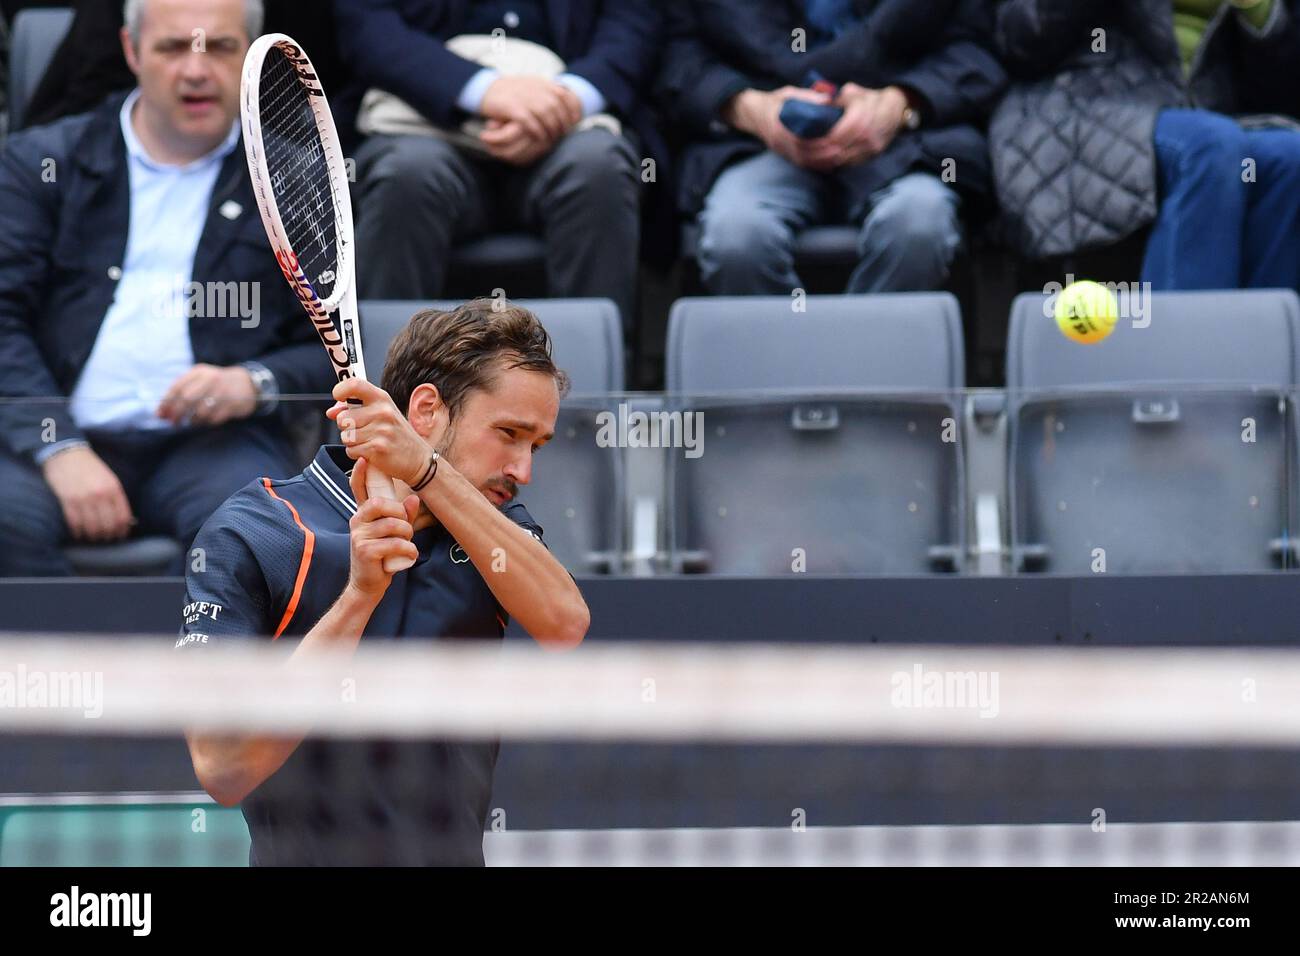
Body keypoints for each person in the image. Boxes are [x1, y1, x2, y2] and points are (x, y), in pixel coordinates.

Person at [179, 299, 590, 866]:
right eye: (509, 433)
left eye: (536, 445)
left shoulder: (495, 534)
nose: (523, 470)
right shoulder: (258, 528)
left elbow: (565, 624)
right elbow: (223, 767)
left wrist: (425, 470)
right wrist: (359, 596)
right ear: (426, 409)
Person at [0, 0, 333, 576]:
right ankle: (50, 668)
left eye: (221, 48)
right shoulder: (41, 163)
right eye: (173, 47)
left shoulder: (294, 182)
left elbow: (336, 350)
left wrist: (254, 383)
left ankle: (204, 668)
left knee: (258, 533)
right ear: (131, 51)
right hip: (49, 436)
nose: (196, 70)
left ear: (252, 58)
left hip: (212, 444)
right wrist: (58, 446)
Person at [332, 0, 662, 333]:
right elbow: (366, 24)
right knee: (407, 173)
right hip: (422, 114)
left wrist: (565, 103)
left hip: (570, 121)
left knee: (598, 167)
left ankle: (594, 378)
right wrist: (479, 89)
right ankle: (386, 379)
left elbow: (633, 23)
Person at [656, 0, 1006, 295]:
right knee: (737, 239)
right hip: (756, 142)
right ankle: (792, 371)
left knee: (918, 227)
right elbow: (675, 52)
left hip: (907, 143)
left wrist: (902, 103)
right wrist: (749, 110)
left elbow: (978, 46)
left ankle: (863, 371)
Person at [991, 0, 1300, 290]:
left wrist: (1259, 11)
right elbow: (1019, 39)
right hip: (1082, 104)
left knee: (1288, 157)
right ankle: (1183, 342)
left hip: (1206, 116)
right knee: (1211, 147)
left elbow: (1280, 90)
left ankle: (1258, 341)